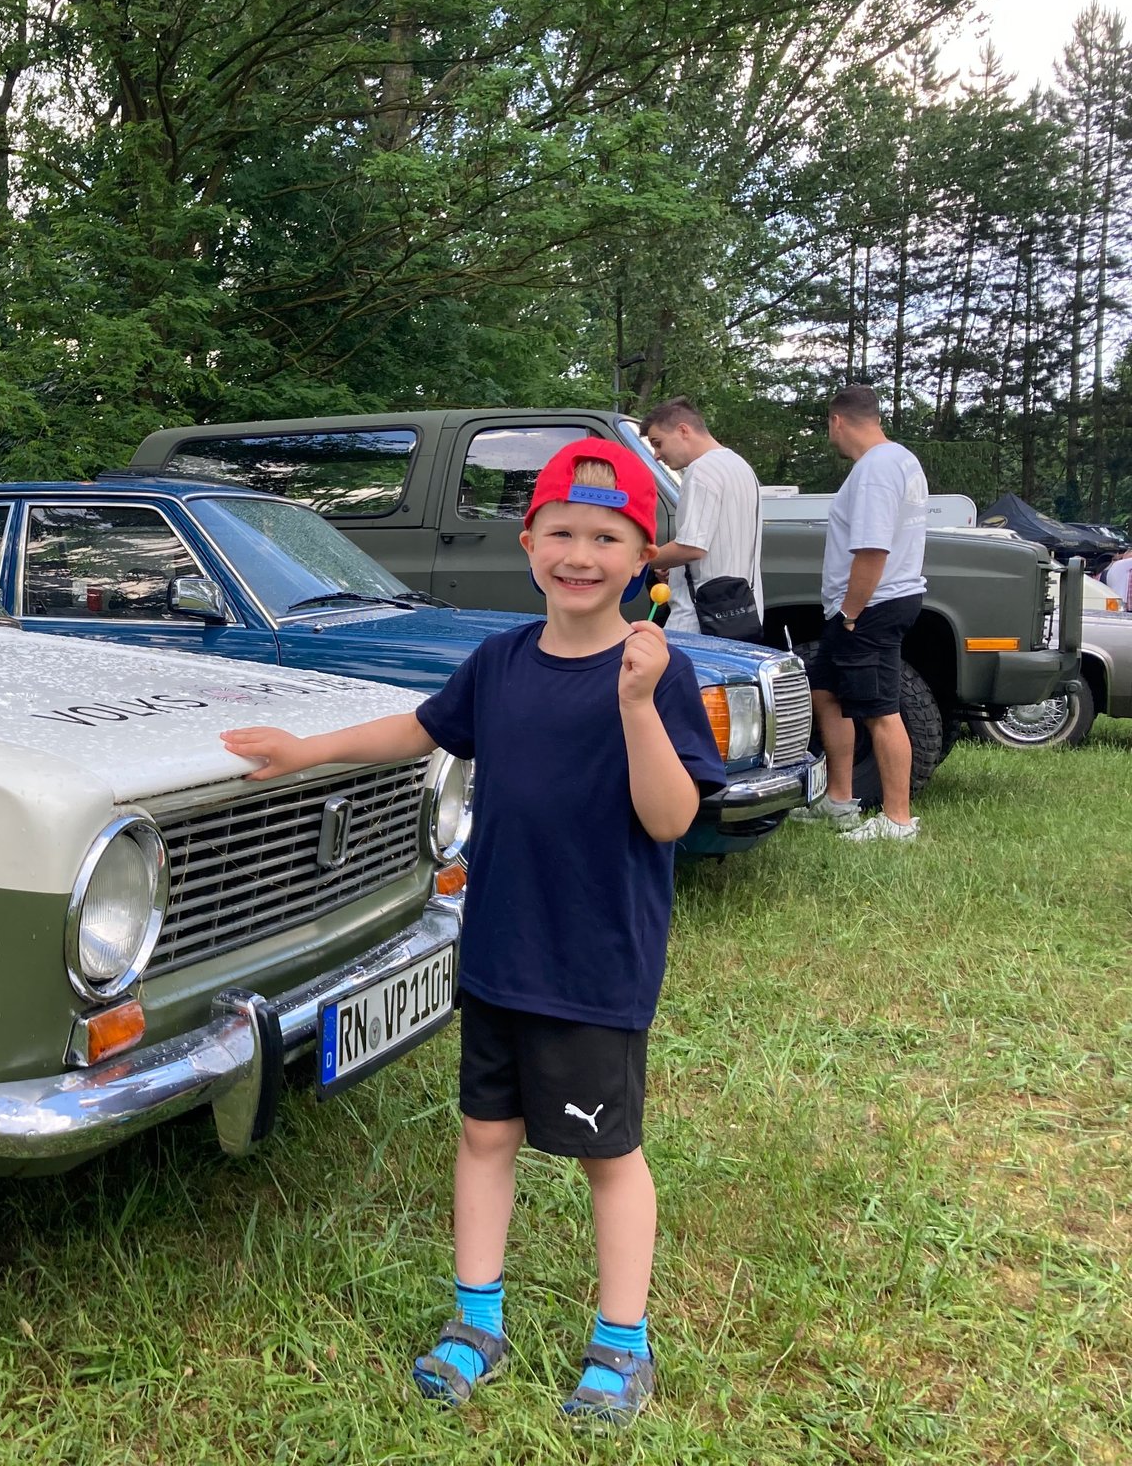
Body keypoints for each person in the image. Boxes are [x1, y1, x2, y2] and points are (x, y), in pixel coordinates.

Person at [219, 438, 724, 1427]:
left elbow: (669, 818)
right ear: (528, 540)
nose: (579, 555)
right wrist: (305, 750)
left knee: (605, 1154)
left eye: (605, 537)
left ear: (640, 558)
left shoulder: (655, 671)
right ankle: (474, 1321)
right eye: (561, 533)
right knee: (483, 1134)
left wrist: (632, 705)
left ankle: (621, 1343)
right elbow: (416, 730)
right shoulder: (499, 662)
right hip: (497, 952)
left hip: (593, 965)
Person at [787, 385, 929, 841]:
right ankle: (840, 800)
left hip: (870, 606)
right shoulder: (900, 459)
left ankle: (897, 820)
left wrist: (850, 612)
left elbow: (872, 550)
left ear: (837, 421)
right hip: (868, 604)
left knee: (880, 710)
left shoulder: (874, 469)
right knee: (825, 693)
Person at [642, 397, 764, 638]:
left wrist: (640, 559)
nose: (657, 455)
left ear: (683, 430)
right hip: (743, 611)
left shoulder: (701, 470)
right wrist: (671, 565)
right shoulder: (740, 466)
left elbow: (692, 547)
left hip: (699, 619)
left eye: (658, 443)